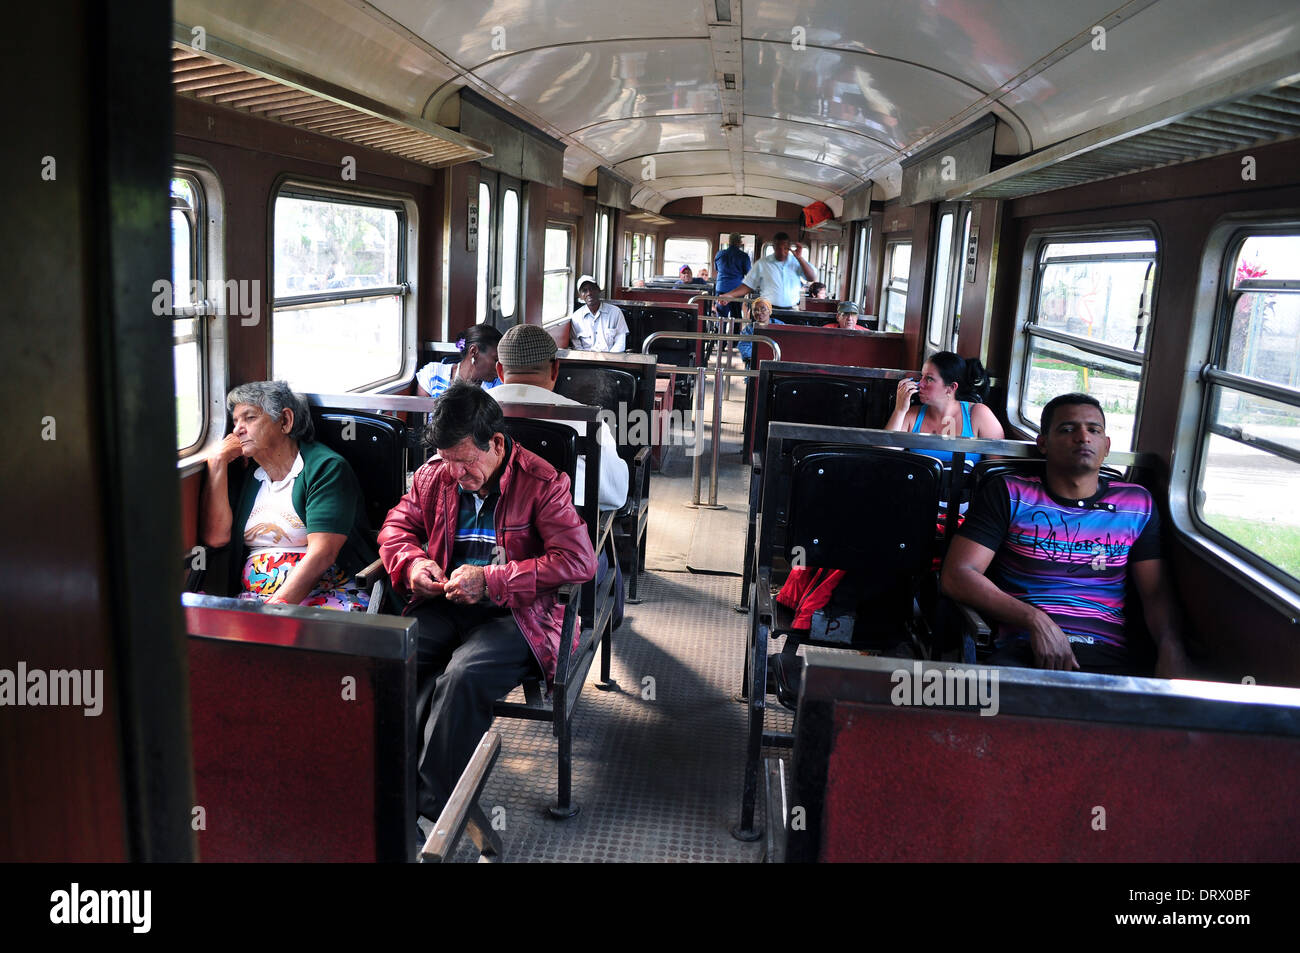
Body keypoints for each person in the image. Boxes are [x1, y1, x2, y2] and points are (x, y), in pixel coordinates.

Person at [378, 381, 597, 822]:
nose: (455, 474)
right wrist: (413, 564)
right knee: (392, 663)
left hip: (518, 613)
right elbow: (395, 530)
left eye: (464, 462)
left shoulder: (542, 483)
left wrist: (493, 579)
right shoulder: (432, 477)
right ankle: (381, 785)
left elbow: (578, 561)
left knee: (462, 676)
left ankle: (429, 811)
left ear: (496, 443)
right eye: (446, 462)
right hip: (447, 602)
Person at [941, 393, 1190, 677]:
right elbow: (957, 575)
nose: (1083, 438)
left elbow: (1155, 592)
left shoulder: (1137, 504)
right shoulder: (1011, 494)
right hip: (1025, 649)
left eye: (1094, 430)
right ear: (1043, 443)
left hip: (1107, 656)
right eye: (1068, 429)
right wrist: (1034, 620)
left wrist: (1172, 648)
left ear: (1106, 446)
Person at [201, 381, 375, 610]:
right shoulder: (247, 474)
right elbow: (216, 537)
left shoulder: (326, 468)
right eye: (235, 421)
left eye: (249, 418)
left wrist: (275, 608)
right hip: (256, 598)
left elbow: (323, 555)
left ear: (285, 421)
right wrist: (217, 462)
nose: (237, 430)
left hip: (329, 593)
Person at [490, 324, 628, 511]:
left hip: (482, 524)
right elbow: (615, 494)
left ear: (499, 371)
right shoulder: (585, 418)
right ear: (556, 369)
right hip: (562, 525)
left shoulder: (469, 410)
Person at [885, 351, 1004, 465]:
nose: (920, 384)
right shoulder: (912, 415)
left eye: (929, 379)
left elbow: (996, 468)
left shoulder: (978, 414)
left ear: (951, 388)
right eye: (922, 377)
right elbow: (885, 455)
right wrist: (900, 410)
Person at [715, 231, 816, 310]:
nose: (781, 251)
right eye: (778, 248)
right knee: (736, 317)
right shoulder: (762, 263)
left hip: (792, 308)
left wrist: (800, 258)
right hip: (767, 310)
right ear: (773, 247)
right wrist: (729, 295)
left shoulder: (797, 262)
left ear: (789, 248)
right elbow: (748, 285)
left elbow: (811, 277)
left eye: (785, 248)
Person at [416, 324, 502, 398]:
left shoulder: (497, 386)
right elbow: (422, 414)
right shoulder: (433, 374)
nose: (499, 367)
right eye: (496, 360)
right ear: (473, 351)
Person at [569, 275, 629, 352]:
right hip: (586, 360)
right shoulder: (576, 317)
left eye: (592, 289)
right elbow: (577, 346)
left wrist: (609, 359)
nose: (589, 293)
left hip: (611, 360)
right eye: (584, 290)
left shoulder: (615, 312)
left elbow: (620, 343)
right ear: (580, 296)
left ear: (598, 290)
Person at [713, 233, 752, 324]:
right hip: (736, 291)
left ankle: (720, 337)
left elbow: (717, 269)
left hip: (722, 289)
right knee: (736, 317)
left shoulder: (719, 254)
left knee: (721, 317)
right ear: (739, 242)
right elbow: (748, 273)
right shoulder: (743, 256)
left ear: (729, 242)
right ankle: (735, 337)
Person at [737, 297, 784, 366]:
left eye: (763, 309)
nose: (759, 312)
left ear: (769, 311)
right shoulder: (748, 329)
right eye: (755, 310)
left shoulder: (780, 326)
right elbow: (743, 346)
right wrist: (761, 358)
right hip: (756, 364)